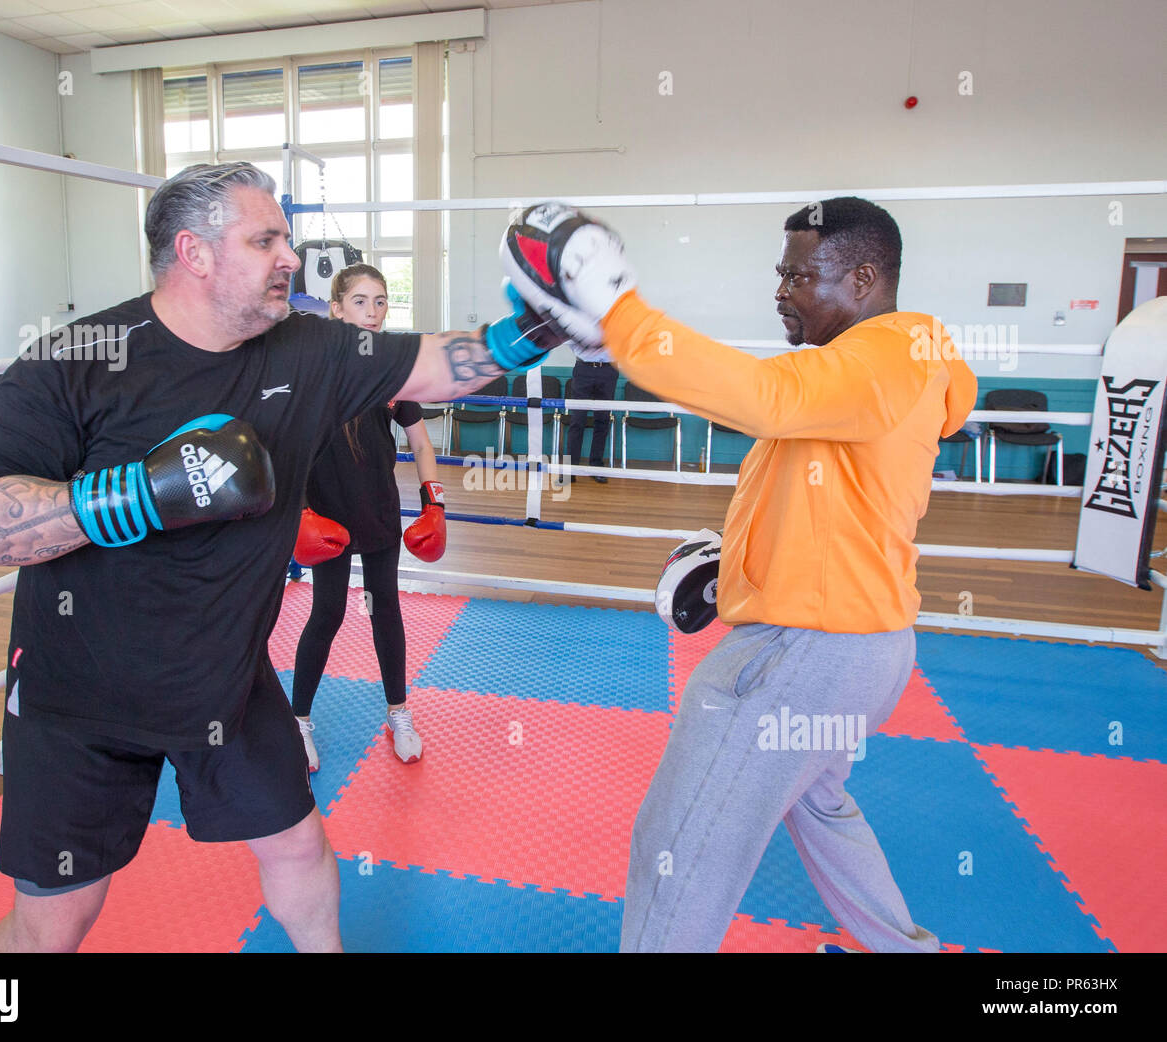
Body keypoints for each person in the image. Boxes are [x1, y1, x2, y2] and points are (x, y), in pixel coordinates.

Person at [0, 162, 566, 953]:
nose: (291, 259)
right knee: (56, 917)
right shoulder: (77, 357)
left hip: (224, 678)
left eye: (287, 240)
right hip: (78, 693)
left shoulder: (309, 347)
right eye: (265, 239)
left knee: (299, 843)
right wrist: (141, 494)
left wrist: (540, 329)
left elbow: (435, 363)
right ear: (193, 252)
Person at [502, 197, 977, 953]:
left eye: (800, 276)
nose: (782, 291)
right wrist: (742, 559)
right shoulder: (887, 365)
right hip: (865, 642)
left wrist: (619, 316)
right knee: (820, 807)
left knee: (679, 845)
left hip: (806, 652)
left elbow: (762, 400)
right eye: (780, 273)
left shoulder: (886, 355)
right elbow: (825, 479)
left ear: (862, 279)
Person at [290, 263, 444, 769]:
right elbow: (282, 447)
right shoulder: (312, 372)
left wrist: (433, 502)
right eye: (360, 301)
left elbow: (421, 444)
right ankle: (299, 720)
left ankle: (398, 712)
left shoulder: (394, 373)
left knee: (385, 611)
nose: (373, 312)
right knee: (327, 613)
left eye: (380, 301)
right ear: (335, 309)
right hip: (326, 516)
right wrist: (300, 512)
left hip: (377, 512)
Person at [563, 354, 618, 483]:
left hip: (608, 369)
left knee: (602, 420)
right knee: (577, 421)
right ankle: (569, 471)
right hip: (583, 367)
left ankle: (596, 467)